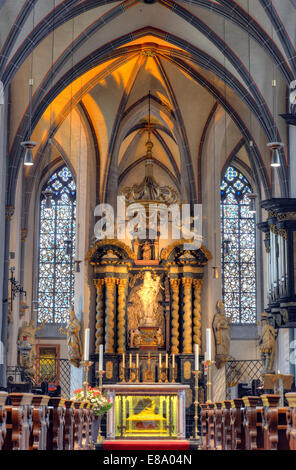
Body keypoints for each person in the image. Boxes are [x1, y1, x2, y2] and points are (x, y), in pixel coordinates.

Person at [212, 300, 231, 368]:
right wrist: (221, 324)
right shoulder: (217, 316)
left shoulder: (223, 317)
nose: (223, 310)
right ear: (219, 309)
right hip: (220, 334)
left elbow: (225, 323)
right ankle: (220, 355)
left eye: (223, 308)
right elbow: (215, 325)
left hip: (225, 333)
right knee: (221, 345)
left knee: (227, 340)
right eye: (222, 308)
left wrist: (227, 321)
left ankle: (225, 354)